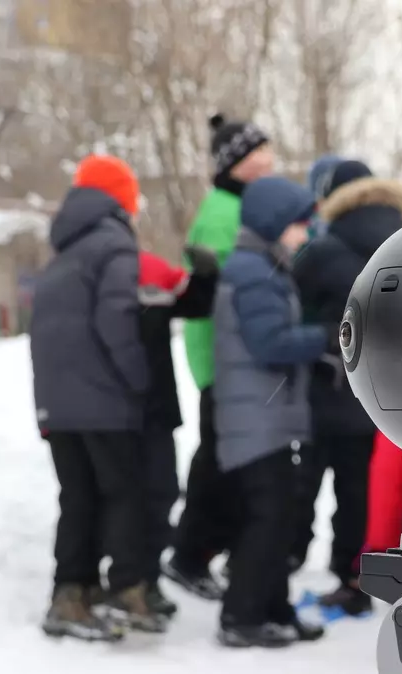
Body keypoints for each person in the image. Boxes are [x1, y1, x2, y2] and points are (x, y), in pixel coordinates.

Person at [30, 155, 164, 640]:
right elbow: (116, 324)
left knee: (77, 497)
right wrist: (138, 380)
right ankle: (126, 591)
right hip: (104, 403)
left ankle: (71, 593)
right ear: (120, 199)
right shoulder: (113, 245)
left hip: (58, 406)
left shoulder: (62, 253)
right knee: (124, 493)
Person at [212, 175, 336, 647]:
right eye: (298, 225)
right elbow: (269, 344)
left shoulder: (265, 267)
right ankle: (240, 615)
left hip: (267, 416)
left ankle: (274, 608)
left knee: (280, 517)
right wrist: (322, 336)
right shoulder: (253, 272)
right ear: (274, 224)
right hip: (257, 419)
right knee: (267, 520)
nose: (304, 234)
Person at [290, 159, 402, 615]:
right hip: (388, 394)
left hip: (326, 389)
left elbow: (291, 311)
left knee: (302, 484)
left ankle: (283, 558)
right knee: (363, 491)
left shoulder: (322, 251)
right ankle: (355, 575)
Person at [167, 114, 274, 599]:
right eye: (259, 153)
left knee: (228, 459)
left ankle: (211, 549)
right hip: (222, 360)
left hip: (236, 360)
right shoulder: (221, 211)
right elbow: (217, 288)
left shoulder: (241, 205)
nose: (269, 160)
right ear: (237, 163)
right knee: (217, 460)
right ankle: (190, 555)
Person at [129, 244, 220, 618]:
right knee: (121, 501)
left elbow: (194, 304)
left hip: (154, 407)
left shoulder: (149, 266)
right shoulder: (82, 268)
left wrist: (206, 276)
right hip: (109, 408)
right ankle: (122, 584)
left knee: (160, 493)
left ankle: (144, 582)